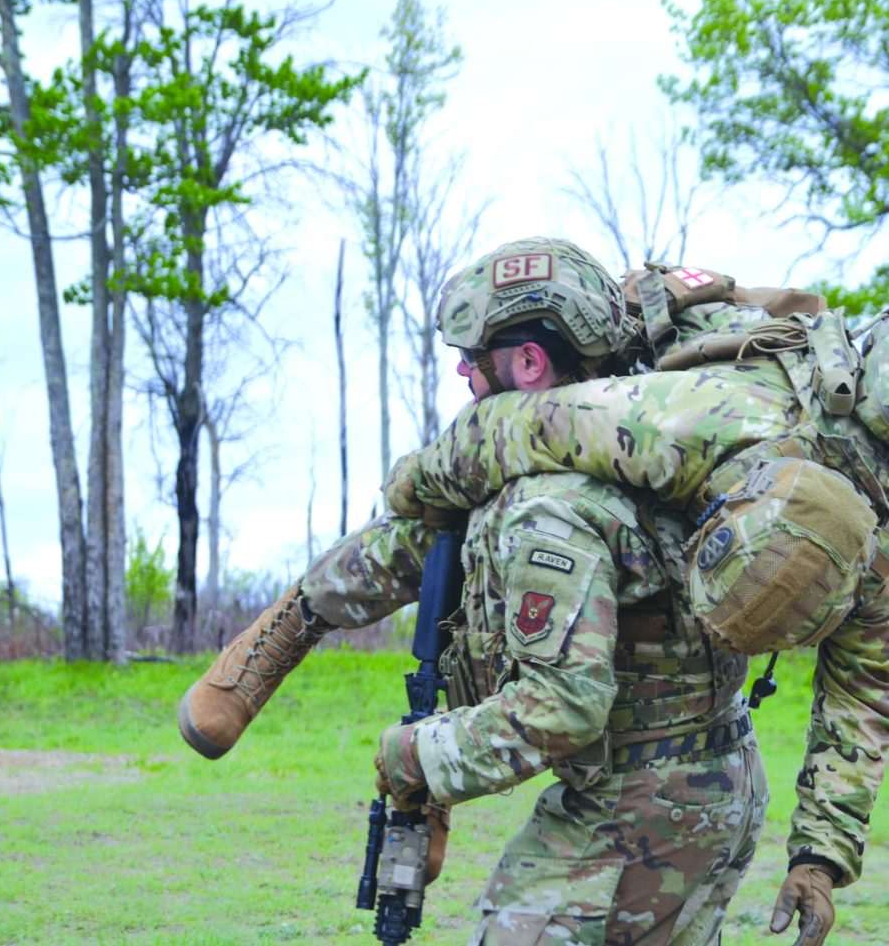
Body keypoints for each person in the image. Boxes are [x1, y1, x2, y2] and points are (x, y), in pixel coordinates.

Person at [179, 237, 776, 945]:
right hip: (717, 779)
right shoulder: (634, 449)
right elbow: (428, 544)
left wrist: (417, 756)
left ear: (529, 364)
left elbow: (562, 707)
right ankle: (281, 635)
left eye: (475, 354)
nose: (462, 368)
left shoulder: (551, 506)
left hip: (639, 808)